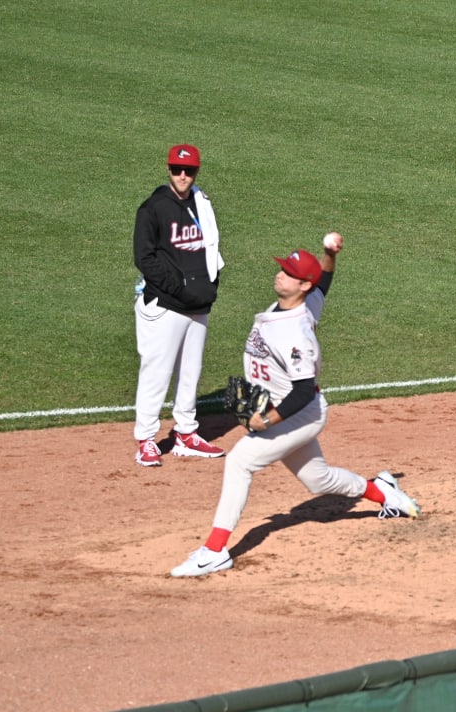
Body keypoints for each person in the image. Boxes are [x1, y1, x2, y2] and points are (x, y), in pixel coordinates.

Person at [171, 236, 422, 577]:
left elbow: (303, 392)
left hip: (298, 414)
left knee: (240, 462)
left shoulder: (296, 335)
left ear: (303, 286)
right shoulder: (302, 302)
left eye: (289, 273)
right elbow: (324, 282)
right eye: (283, 269)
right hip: (287, 409)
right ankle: (383, 491)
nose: (280, 275)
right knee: (318, 481)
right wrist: (329, 254)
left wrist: (266, 421)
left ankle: (214, 552)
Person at [132, 144, 227, 467]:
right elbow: (144, 258)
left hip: (198, 305)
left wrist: (207, 287)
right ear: (168, 169)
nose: (183, 175)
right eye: (177, 169)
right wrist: (180, 288)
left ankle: (186, 434)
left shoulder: (202, 203)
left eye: (189, 170)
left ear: (197, 171)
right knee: (156, 373)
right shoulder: (153, 208)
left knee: (191, 372)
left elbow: (211, 248)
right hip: (165, 306)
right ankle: (146, 440)